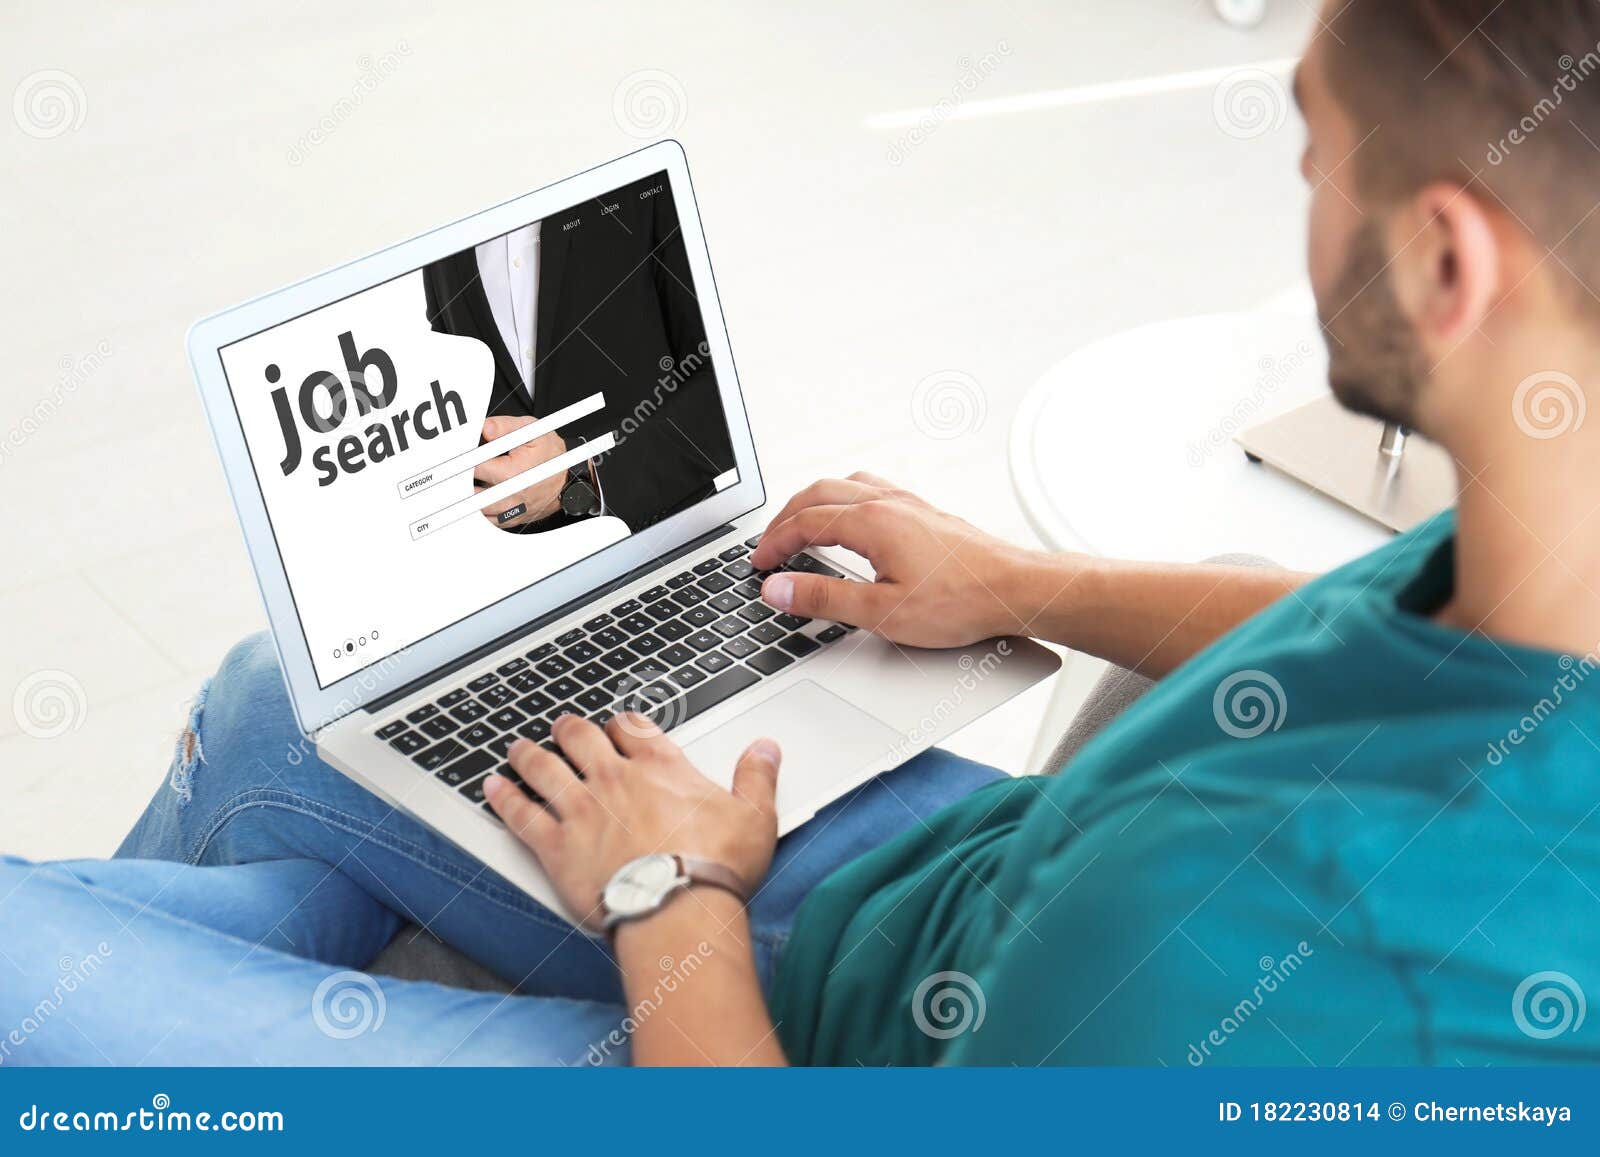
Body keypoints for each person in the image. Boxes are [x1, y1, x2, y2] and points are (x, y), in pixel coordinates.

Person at [4, 0, 1599, 1066]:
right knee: (286, 710)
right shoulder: (1547, 553)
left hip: (796, 1047)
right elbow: (1343, 631)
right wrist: (1015, 580)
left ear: (1449, 263)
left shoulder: (1274, 963)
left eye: (1316, 143)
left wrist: (667, 899)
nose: (1306, 181)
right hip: (944, 897)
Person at [421, 171, 735, 533]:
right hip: (518, 570)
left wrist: (577, 476)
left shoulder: (637, 178)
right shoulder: (442, 222)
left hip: (667, 540)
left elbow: (727, 392)